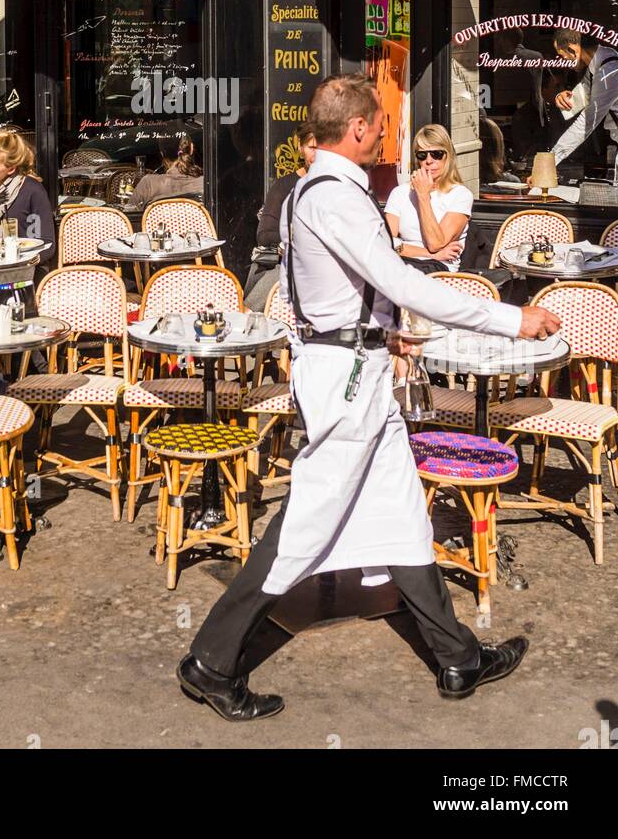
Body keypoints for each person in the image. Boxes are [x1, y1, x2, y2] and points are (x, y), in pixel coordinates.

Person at [177, 74, 560, 722]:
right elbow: (400, 282)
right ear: (355, 128)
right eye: (379, 122)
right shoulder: (337, 198)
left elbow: (331, 293)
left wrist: (383, 333)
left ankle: (457, 658)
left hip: (353, 368)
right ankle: (211, 661)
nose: (386, 132)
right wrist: (509, 320)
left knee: (400, 515)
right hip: (345, 382)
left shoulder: (315, 191)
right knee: (302, 528)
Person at [243, 124, 317, 311]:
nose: (318, 155)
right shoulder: (284, 187)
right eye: (312, 148)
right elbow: (265, 234)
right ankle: (248, 323)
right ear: (301, 148)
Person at [384, 124, 472, 273]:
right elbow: (385, 243)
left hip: (438, 272)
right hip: (401, 265)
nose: (429, 161)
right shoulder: (400, 193)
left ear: (448, 156)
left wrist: (423, 196)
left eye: (436, 154)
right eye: (422, 155)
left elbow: (435, 243)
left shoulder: (460, 195)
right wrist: (432, 254)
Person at [551, 29, 618, 176]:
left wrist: (550, 161)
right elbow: (574, 103)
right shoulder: (598, 66)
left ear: (573, 49)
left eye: (563, 56)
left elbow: (586, 122)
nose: (564, 62)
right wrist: (560, 97)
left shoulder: (610, 72)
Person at [127, 135, 203, 210]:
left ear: (162, 153)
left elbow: (129, 215)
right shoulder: (206, 183)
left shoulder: (149, 184)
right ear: (191, 149)